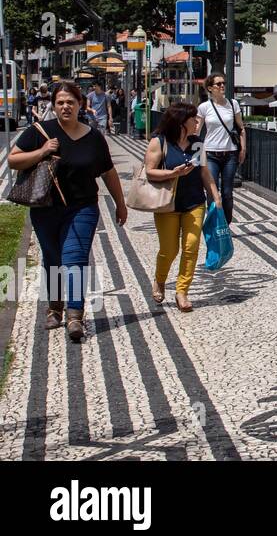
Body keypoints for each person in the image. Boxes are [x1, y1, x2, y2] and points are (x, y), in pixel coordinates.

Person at [8, 82, 128, 342]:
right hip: (45, 208)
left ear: (80, 104)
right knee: (52, 258)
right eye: (60, 102)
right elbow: (13, 159)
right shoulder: (40, 131)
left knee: (74, 258)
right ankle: (55, 307)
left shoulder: (94, 137)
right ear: (54, 104)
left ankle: (75, 315)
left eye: (70, 102)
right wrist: (42, 151)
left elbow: (108, 171)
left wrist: (120, 203)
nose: (65, 106)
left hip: (82, 207)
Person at [142, 102, 221, 312]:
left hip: (194, 201)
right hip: (167, 203)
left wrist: (215, 196)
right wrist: (172, 173)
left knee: (191, 246)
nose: (197, 122)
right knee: (169, 250)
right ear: (181, 121)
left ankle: (182, 291)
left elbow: (204, 172)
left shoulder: (197, 143)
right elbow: (149, 172)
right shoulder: (160, 142)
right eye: (193, 118)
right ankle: (160, 280)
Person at [197, 73, 245, 224]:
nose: (222, 86)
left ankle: (226, 224)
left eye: (223, 83)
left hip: (230, 153)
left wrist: (243, 148)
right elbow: (196, 131)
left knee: (227, 193)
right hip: (210, 153)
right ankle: (214, 223)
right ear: (210, 88)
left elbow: (241, 128)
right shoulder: (204, 107)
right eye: (218, 84)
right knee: (212, 191)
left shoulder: (233, 104)